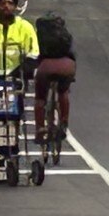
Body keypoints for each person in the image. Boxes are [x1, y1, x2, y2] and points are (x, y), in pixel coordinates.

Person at [32, 9, 76, 141]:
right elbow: (71, 54)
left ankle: (40, 128)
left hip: (46, 67)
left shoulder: (40, 35)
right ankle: (64, 120)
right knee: (63, 92)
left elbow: (35, 54)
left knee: (40, 98)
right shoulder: (65, 35)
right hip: (66, 67)